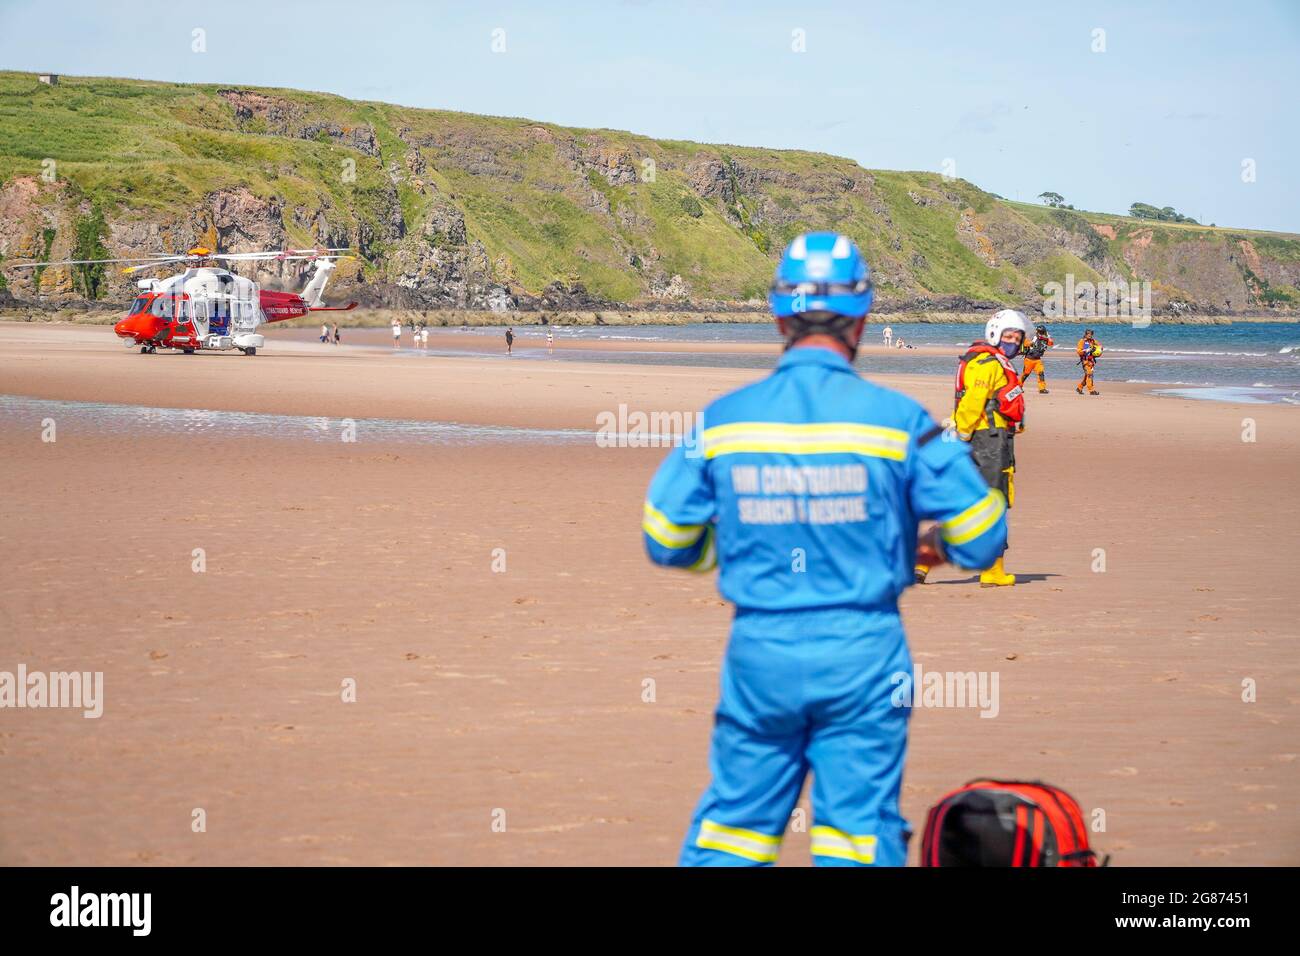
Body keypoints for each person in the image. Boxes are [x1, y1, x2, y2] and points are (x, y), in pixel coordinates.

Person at [642, 232, 1008, 867]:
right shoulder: (899, 421)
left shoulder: (726, 421)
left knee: (736, 829)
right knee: (858, 836)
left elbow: (666, 537)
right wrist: (929, 546)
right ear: (863, 318)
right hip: (865, 654)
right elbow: (983, 535)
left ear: (779, 313)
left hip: (761, 652)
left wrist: (736, 541)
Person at [916, 309, 1028, 588]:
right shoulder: (988, 364)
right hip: (989, 443)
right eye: (1008, 336)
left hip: (991, 438)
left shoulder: (989, 361)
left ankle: (920, 560)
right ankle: (993, 571)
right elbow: (973, 401)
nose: (1012, 341)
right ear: (995, 333)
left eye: (1017, 337)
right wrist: (963, 433)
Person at [1021, 323, 1054, 393]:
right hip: (1029, 359)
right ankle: (1018, 387)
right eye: (1042, 333)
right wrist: (1032, 342)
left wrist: (1048, 337)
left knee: (1041, 373)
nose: (1042, 334)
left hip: (1037, 360)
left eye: (1043, 333)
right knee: (1025, 374)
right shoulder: (1033, 337)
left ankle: (1042, 389)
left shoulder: (1045, 339)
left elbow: (1051, 343)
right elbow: (1025, 343)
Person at [1076, 328, 1103, 395]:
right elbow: (1078, 351)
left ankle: (1079, 388)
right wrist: (1086, 350)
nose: (1090, 335)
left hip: (1091, 362)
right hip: (1085, 361)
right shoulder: (1082, 341)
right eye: (1088, 334)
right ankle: (1091, 390)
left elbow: (1099, 345)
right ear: (1085, 334)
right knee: (1089, 374)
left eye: (1091, 334)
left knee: (1087, 376)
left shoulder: (1093, 341)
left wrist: (1100, 348)